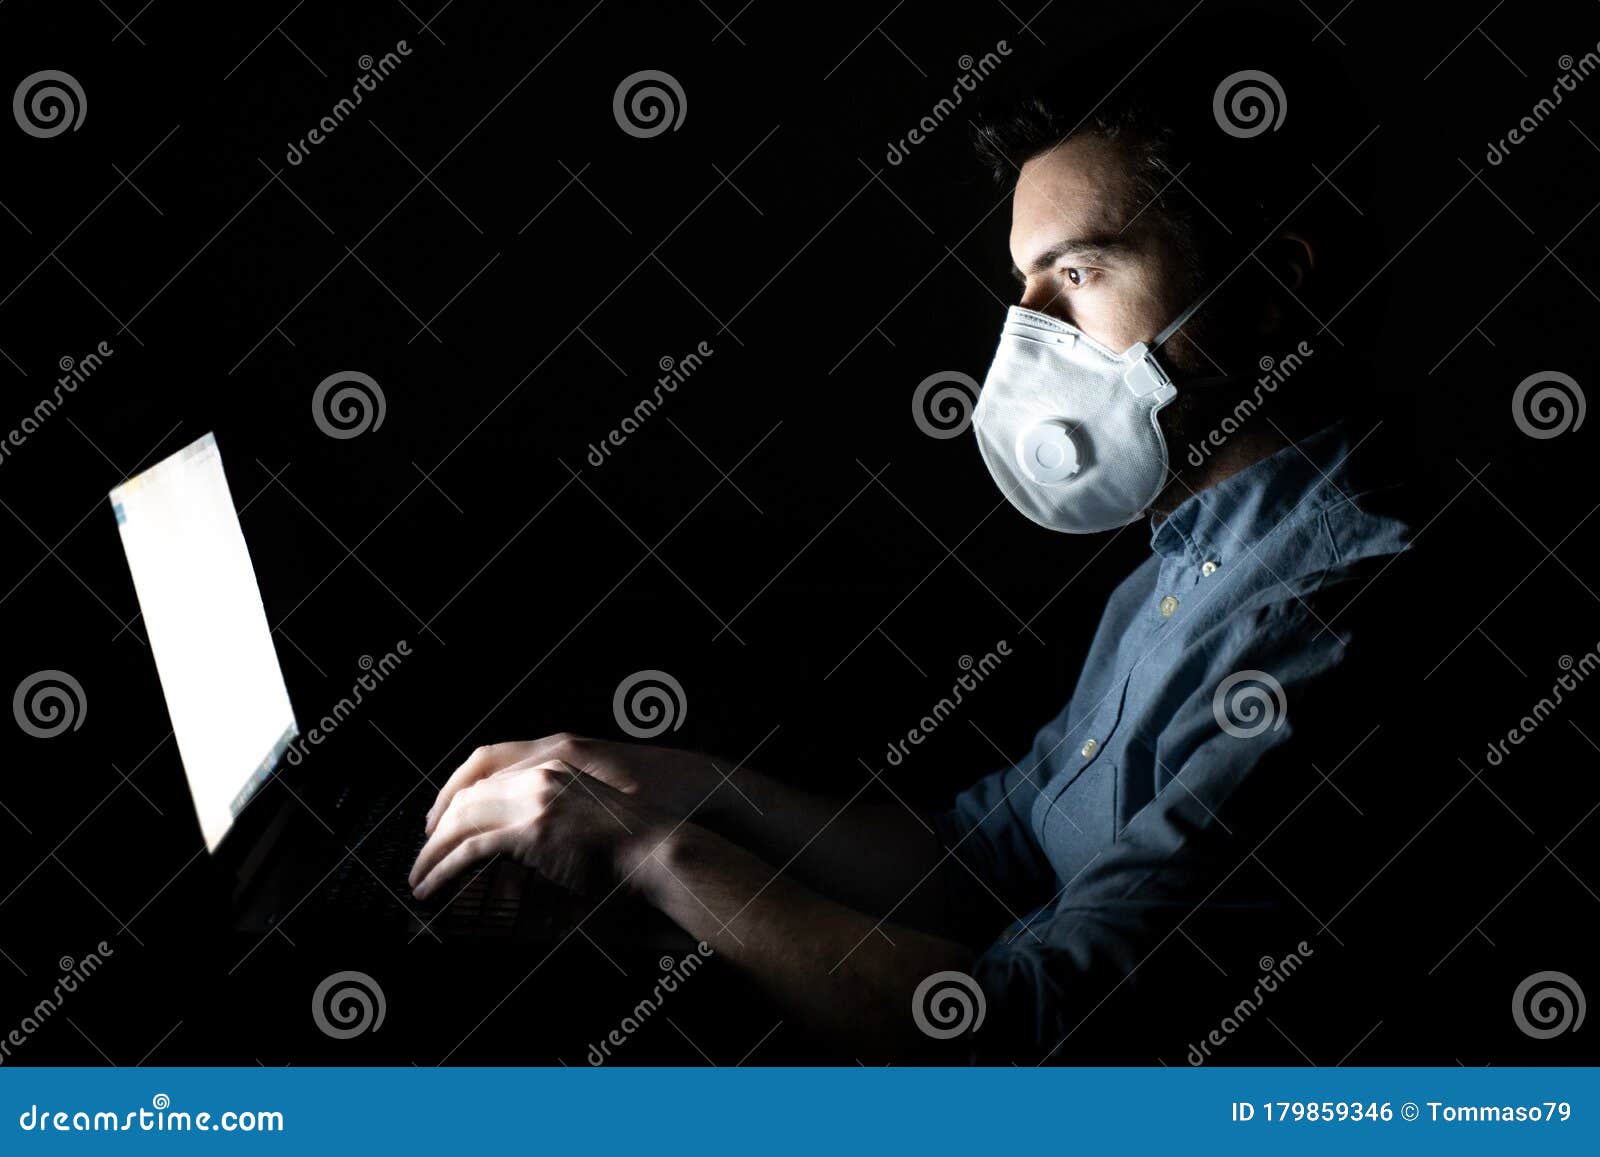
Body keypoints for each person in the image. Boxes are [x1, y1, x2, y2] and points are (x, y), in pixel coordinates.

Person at [409, 11, 1431, 1062]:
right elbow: (991, 852)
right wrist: (671, 786)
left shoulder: (1328, 613)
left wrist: (654, 854)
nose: (1025, 341)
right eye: (1022, 292)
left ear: (1273, 287)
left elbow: (1035, 1033)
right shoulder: (1185, 558)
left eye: (1076, 276)